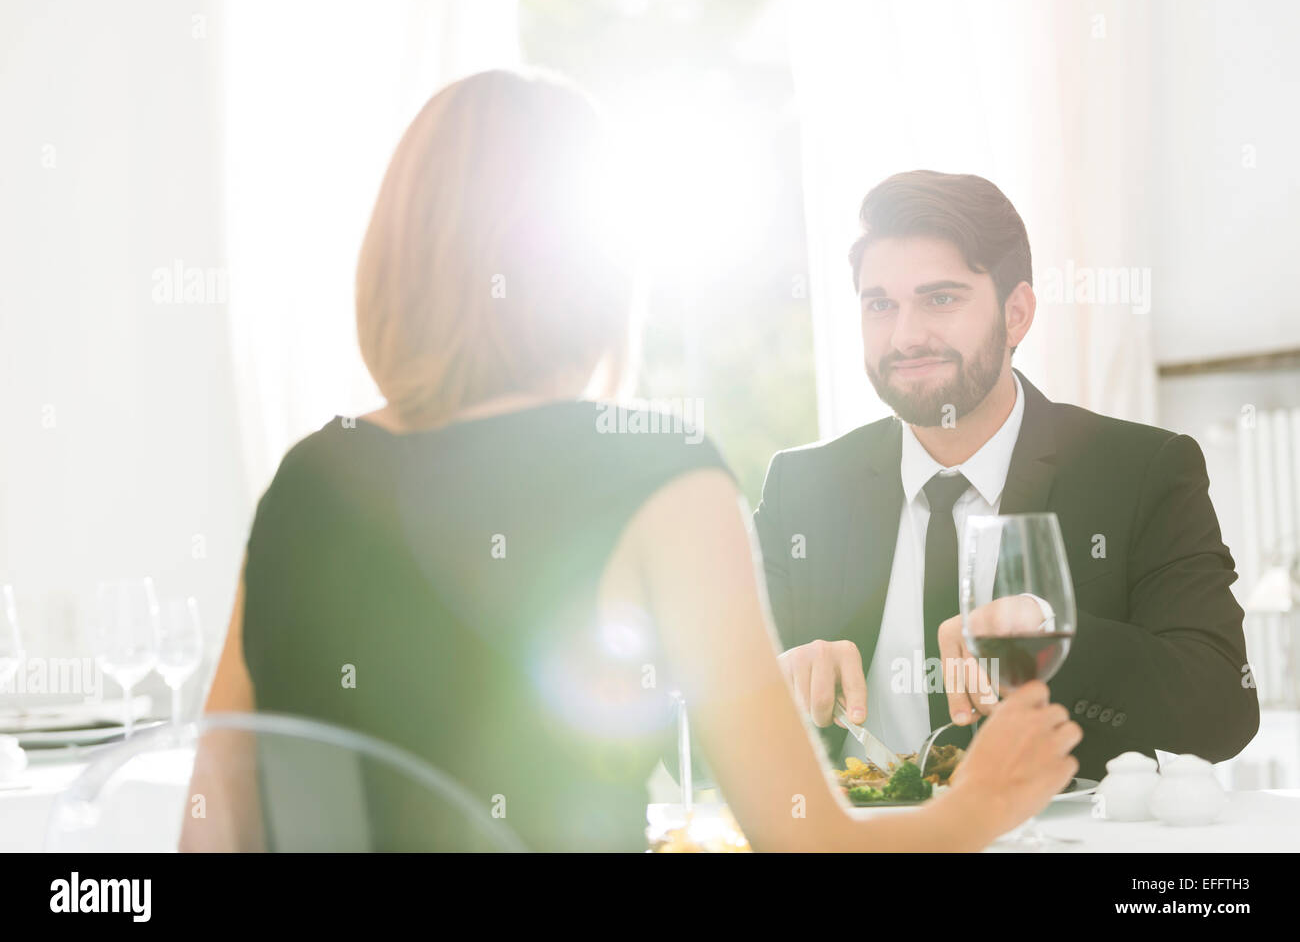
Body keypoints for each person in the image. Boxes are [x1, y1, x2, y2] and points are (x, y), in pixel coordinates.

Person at [197, 73, 1080, 851]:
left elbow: (212, 830)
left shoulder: (309, 479)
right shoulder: (659, 472)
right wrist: (983, 802)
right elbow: (805, 842)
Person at [757, 170, 1259, 780]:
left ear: (1016, 313)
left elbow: (1222, 711)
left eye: (940, 298)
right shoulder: (801, 488)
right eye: (880, 304)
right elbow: (694, 727)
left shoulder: (1141, 471)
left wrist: (1053, 639)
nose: (906, 335)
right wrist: (773, 685)